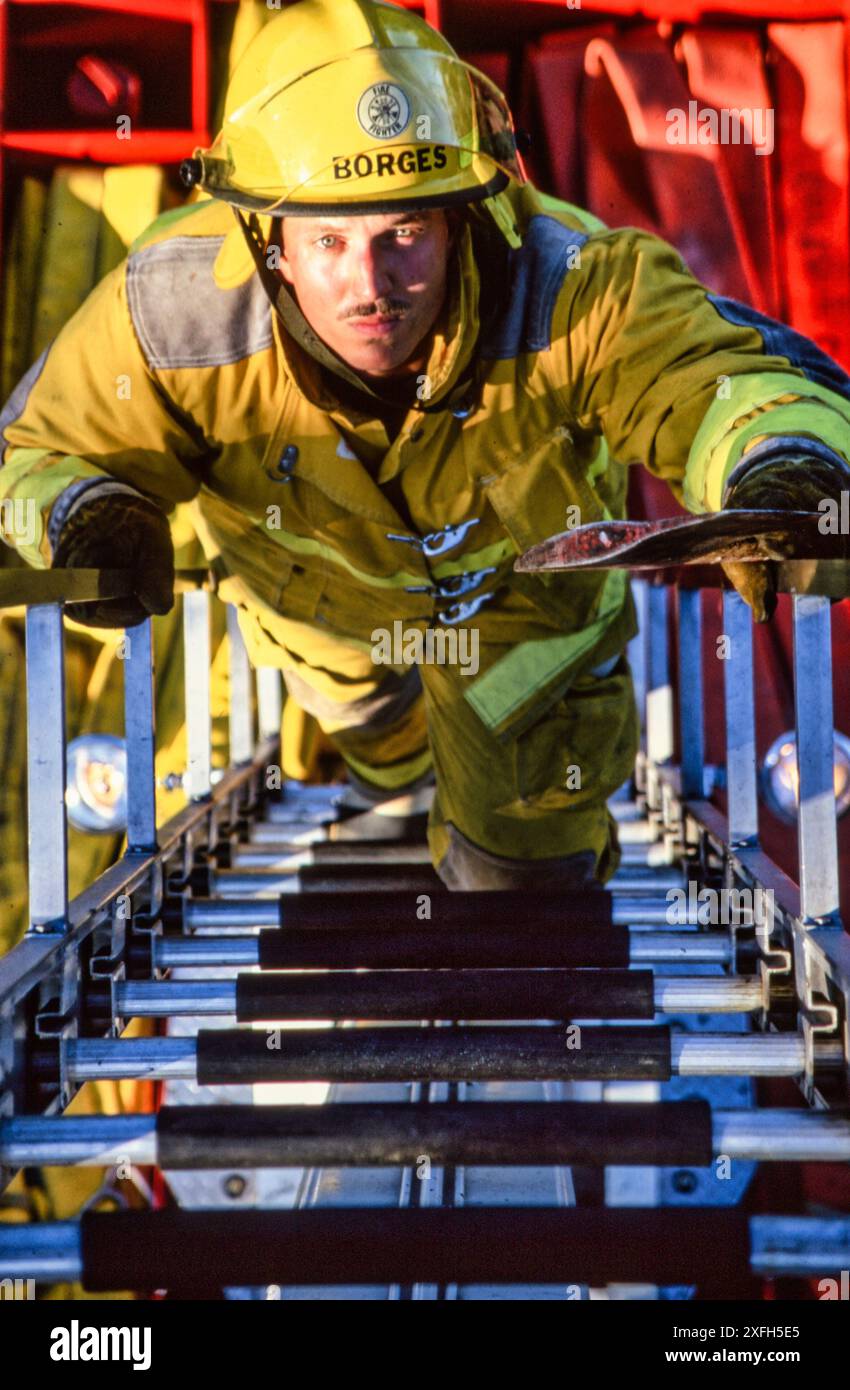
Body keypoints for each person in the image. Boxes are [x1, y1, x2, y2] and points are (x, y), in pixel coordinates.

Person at [2, 0, 850, 890]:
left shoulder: (572, 286)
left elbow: (715, 378)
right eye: (329, 239)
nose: (370, 286)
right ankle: (398, 777)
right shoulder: (175, 316)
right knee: (386, 771)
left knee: (525, 888)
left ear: (462, 219)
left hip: (525, 652)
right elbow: (43, 452)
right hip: (332, 652)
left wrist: (777, 467)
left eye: (404, 232)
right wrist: (85, 517)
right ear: (267, 241)